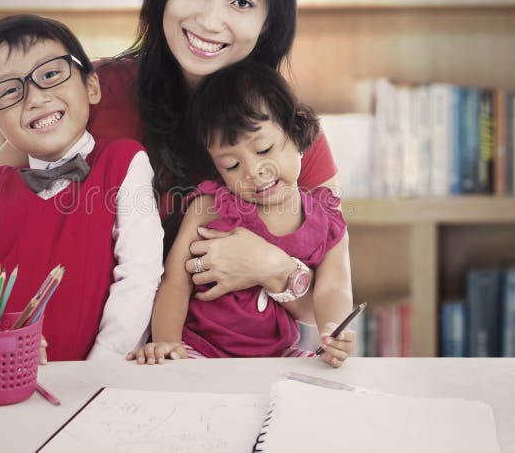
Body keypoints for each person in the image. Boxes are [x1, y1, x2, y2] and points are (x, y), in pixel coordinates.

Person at [0, 0, 355, 373]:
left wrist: (275, 269)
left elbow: (322, 303)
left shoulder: (286, 133)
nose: (209, 19)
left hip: (228, 369)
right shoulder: (93, 92)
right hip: (89, 361)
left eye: (242, 2)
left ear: (269, 20)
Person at [0, 14, 163, 362]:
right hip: (5, 375)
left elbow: (139, 275)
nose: (36, 98)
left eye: (50, 75)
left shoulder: (124, 162)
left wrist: (100, 367)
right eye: (9, 91)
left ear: (91, 87)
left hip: (102, 375)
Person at [127, 62, 352, 367]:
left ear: (296, 131)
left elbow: (333, 286)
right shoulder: (209, 208)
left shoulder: (327, 221)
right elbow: (175, 282)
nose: (253, 172)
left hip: (276, 354)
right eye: (231, 165)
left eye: (264, 149)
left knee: (314, 378)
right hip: (201, 348)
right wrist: (167, 343)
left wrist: (334, 332)